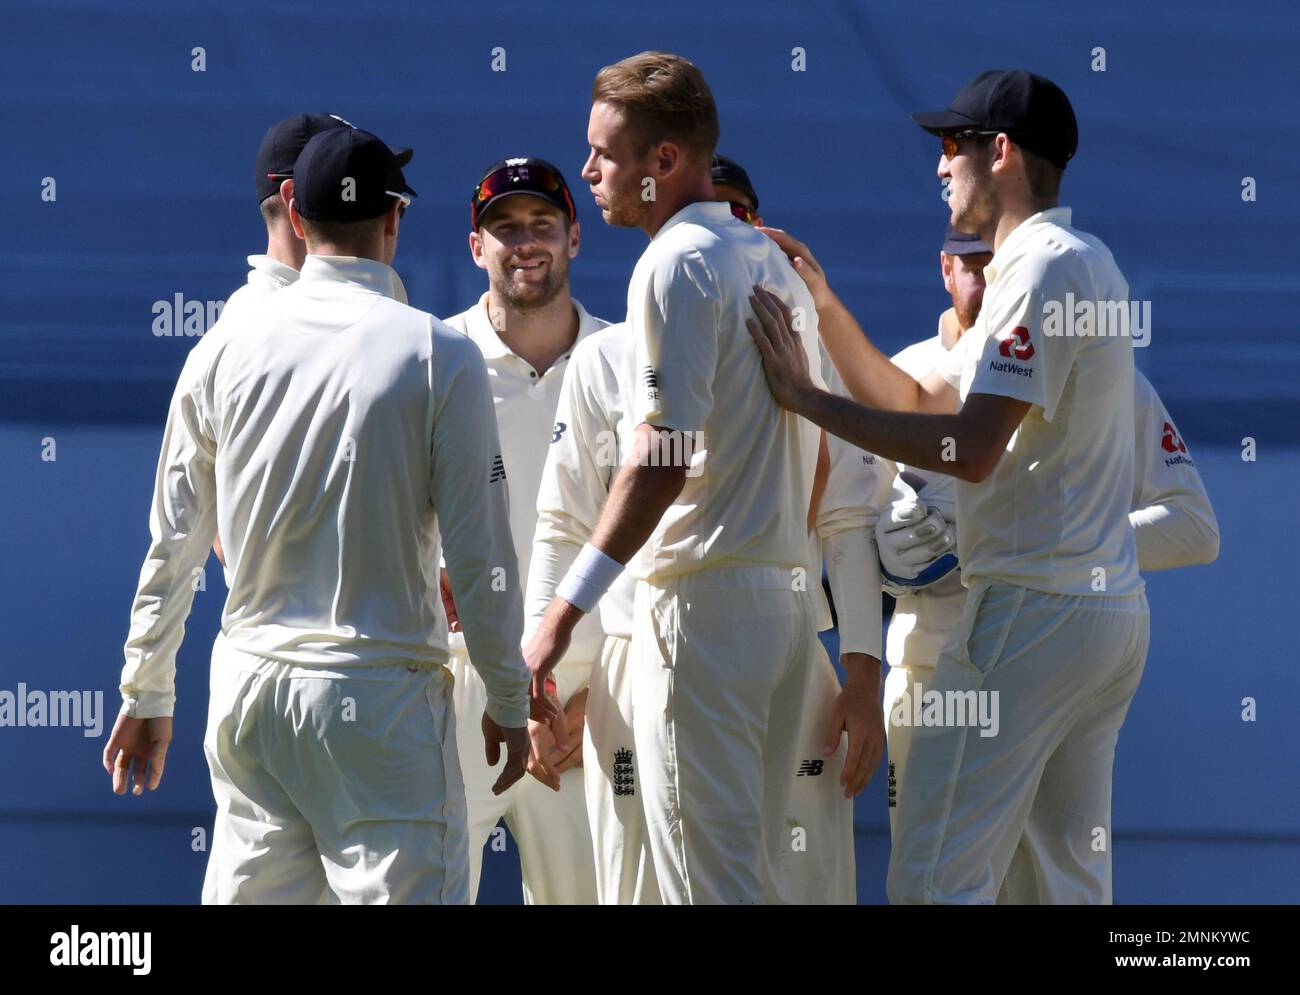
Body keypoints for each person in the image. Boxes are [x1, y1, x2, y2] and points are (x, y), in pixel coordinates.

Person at [747, 69, 1154, 904]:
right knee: (1062, 886)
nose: (940, 167)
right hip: (1102, 617)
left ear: (998, 152)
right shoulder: (1071, 261)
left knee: (934, 882)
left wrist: (806, 398)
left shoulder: (1039, 268)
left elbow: (967, 449)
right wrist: (824, 307)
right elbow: (926, 401)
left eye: (953, 145)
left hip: (1028, 616)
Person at [105, 126, 530, 904]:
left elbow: (173, 543)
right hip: (380, 703)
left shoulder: (222, 348)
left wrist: (146, 693)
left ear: (297, 220)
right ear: (395, 220)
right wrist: (508, 697)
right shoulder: (440, 355)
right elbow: (480, 555)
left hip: (251, 696)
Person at [526, 51, 868, 905]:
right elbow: (816, 456)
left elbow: (664, 454)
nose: (590, 171)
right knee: (748, 878)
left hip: (706, 618)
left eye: (605, 153)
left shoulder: (676, 263)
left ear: (664, 162)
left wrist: (562, 615)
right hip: (781, 612)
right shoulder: (773, 261)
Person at [876, 224, 1219, 903]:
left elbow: (1195, 528)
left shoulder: (1107, 378)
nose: (986, 280)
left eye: (996, 264)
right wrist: (881, 549)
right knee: (934, 880)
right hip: (925, 668)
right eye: (971, 265)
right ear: (944, 267)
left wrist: (1052, 540)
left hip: (1039, 660)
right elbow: (840, 523)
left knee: (1052, 888)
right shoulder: (904, 377)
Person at [440, 157, 605, 904]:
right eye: (504, 228)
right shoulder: (435, 358)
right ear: (477, 247)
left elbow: (664, 523)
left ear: (574, 234)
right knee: (426, 890)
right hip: (460, 684)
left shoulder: (628, 359)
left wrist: (582, 693)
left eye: (542, 224)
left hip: (592, 695)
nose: (524, 242)